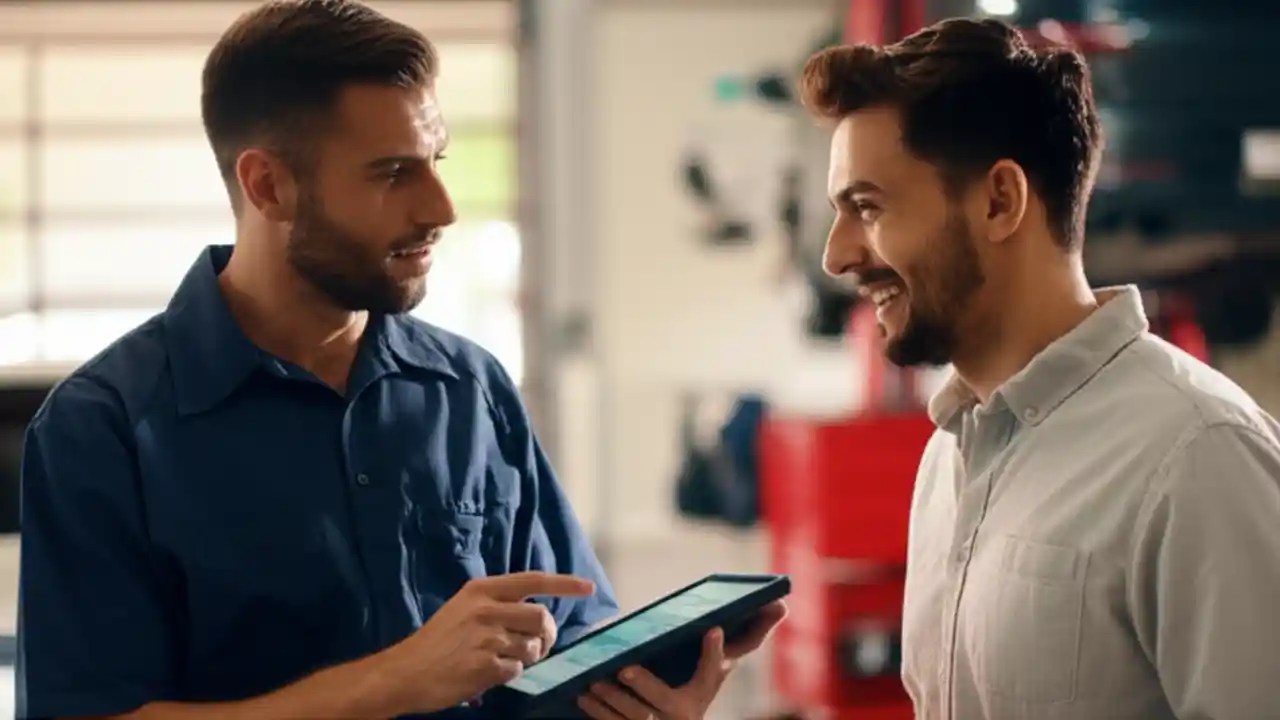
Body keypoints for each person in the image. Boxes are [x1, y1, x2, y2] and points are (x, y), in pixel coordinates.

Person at [16, 2, 784, 719]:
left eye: (435, 160)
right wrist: (393, 681)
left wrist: (643, 697)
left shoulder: (470, 388)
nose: (442, 208)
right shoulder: (104, 428)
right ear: (267, 185)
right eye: (392, 173)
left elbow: (568, 639)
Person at [800, 16, 1280, 720]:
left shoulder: (1199, 457)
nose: (836, 257)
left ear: (1000, 201)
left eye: (867, 207)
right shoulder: (948, 459)